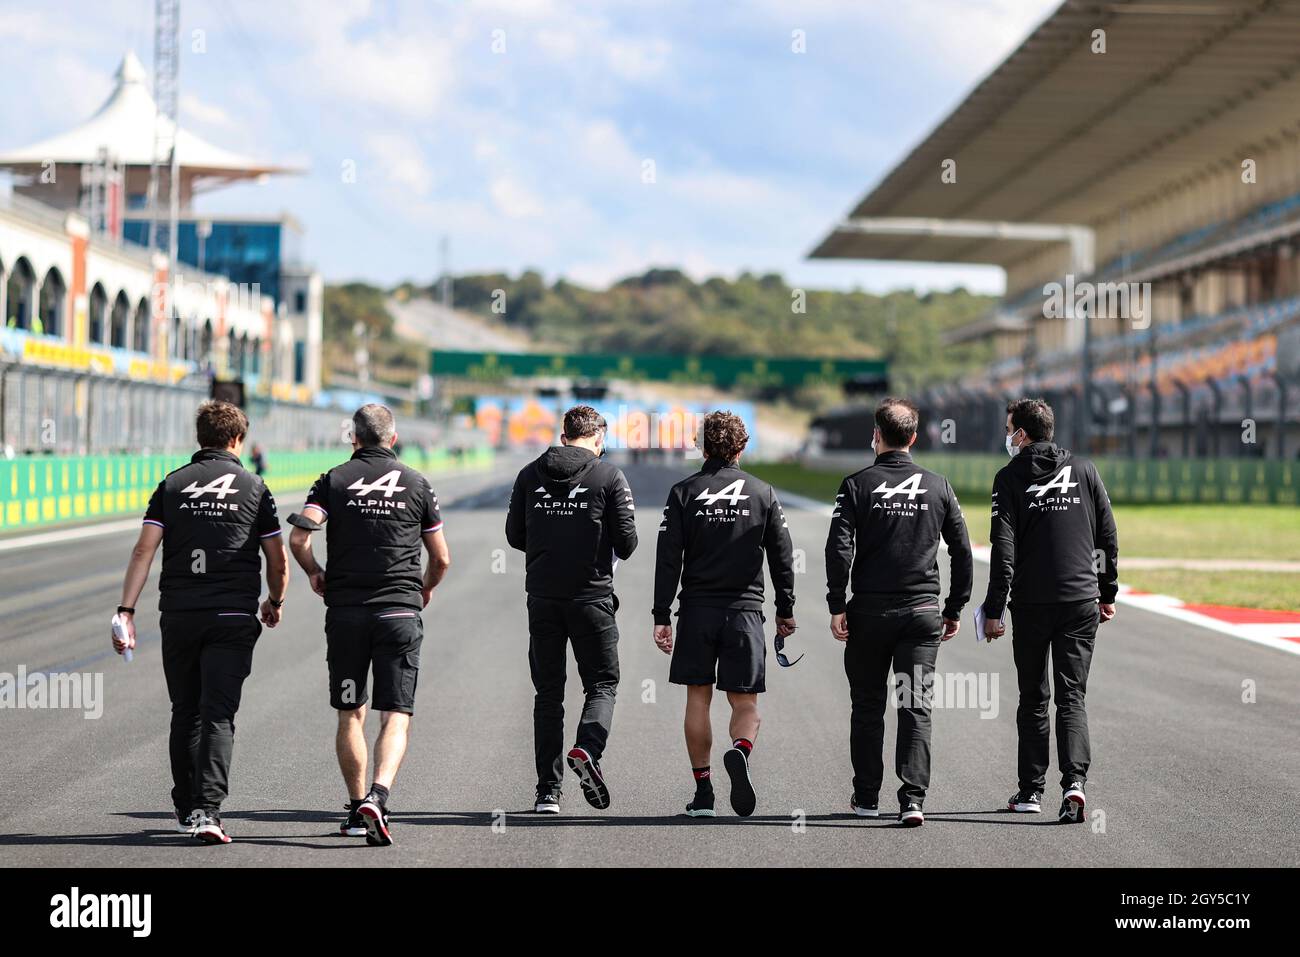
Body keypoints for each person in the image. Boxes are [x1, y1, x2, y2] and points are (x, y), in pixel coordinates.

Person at [114, 400, 288, 845]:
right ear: (237, 440)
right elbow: (277, 558)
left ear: (200, 438)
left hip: (179, 615)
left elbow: (143, 550)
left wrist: (126, 610)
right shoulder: (254, 487)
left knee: (185, 711)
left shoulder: (171, 485)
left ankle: (187, 806)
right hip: (232, 615)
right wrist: (274, 600)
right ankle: (209, 811)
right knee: (218, 715)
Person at [288, 404, 451, 846]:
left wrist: (314, 572)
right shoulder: (417, 483)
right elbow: (441, 558)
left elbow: (299, 536)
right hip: (400, 610)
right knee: (395, 714)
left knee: (350, 713)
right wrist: (424, 589)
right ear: (394, 439)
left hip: (345, 613)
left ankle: (357, 808)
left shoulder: (333, 480)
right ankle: (378, 797)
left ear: (354, 439)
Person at [824, 397, 973, 826]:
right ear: (912, 438)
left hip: (868, 613)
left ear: (876, 437)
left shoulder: (854, 485)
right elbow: (963, 552)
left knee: (867, 707)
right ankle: (912, 800)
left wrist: (837, 604)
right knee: (915, 706)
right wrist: (954, 607)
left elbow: (839, 549)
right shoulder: (939, 485)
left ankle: (867, 798)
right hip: (923, 612)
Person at [980, 398, 1118, 824]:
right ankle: (1074, 783)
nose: (1006, 436)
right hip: (1079, 601)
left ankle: (1030, 792)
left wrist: (994, 608)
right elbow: (1107, 534)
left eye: (1009, 429)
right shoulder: (1085, 470)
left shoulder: (1008, 478)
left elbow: (1003, 550)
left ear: (1021, 434)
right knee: (1072, 695)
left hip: (1032, 603)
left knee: (1034, 697)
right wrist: (1106, 590)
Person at [653, 410, 796, 818]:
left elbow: (668, 560)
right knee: (745, 702)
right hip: (745, 612)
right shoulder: (763, 493)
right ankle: (741, 750)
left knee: (698, 697)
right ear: (742, 447)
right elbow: (783, 557)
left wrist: (661, 614)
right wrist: (785, 609)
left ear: (702, 447)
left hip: (696, 611)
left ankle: (703, 794)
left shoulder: (683, 492)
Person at [505, 406, 638, 813]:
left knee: (548, 694)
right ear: (598, 439)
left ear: (564, 436)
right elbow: (628, 543)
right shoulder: (609, 475)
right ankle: (587, 750)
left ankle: (548, 792)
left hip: (543, 597)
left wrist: (550, 548)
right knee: (601, 684)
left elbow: (514, 535)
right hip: (591, 597)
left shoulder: (530, 473)